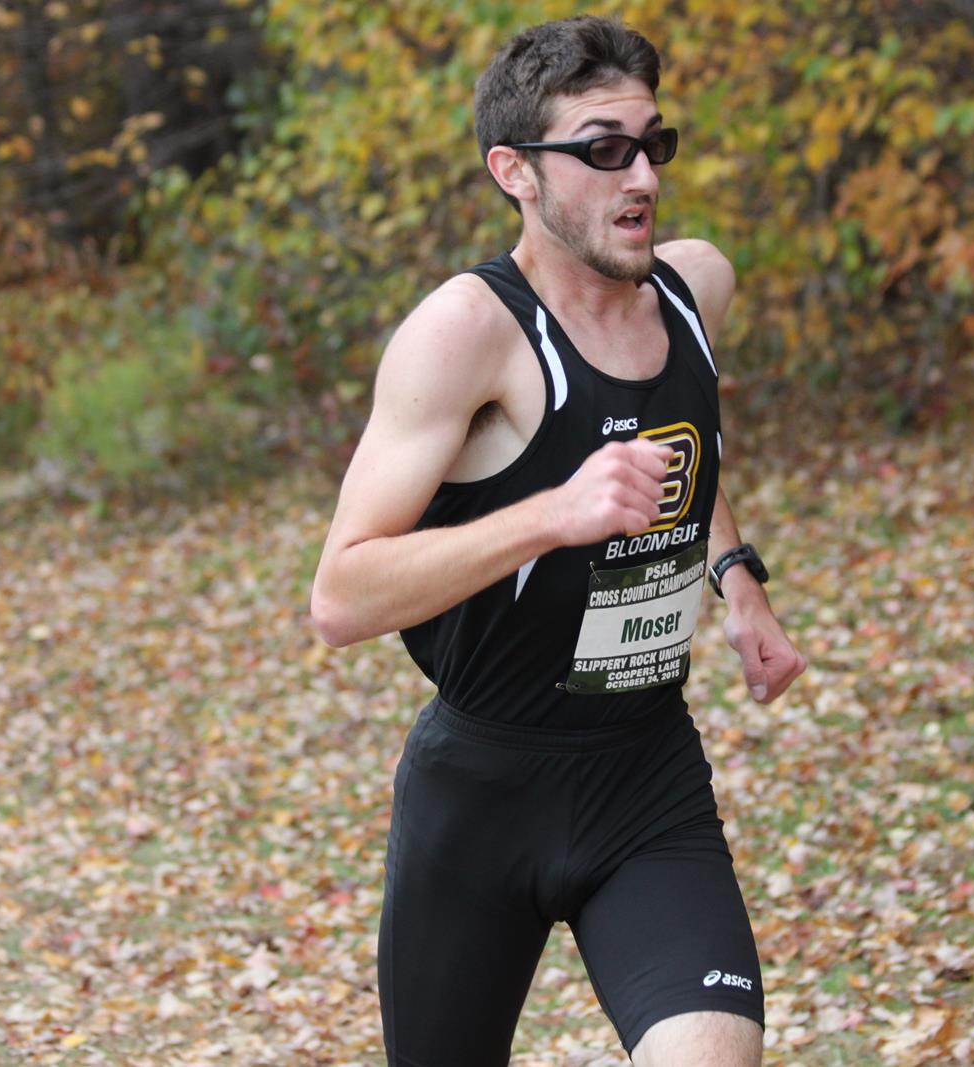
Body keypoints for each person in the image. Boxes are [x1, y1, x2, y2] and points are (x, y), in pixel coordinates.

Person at [309, 15, 806, 1066]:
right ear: (516, 172)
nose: (643, 177)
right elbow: (340, 597)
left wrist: (736, 577)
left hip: (645, 776)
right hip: (480, 793)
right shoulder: (466, 332)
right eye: (602, 149)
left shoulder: (695, 289)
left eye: (652, 144)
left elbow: (680, 435)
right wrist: (553, 513)